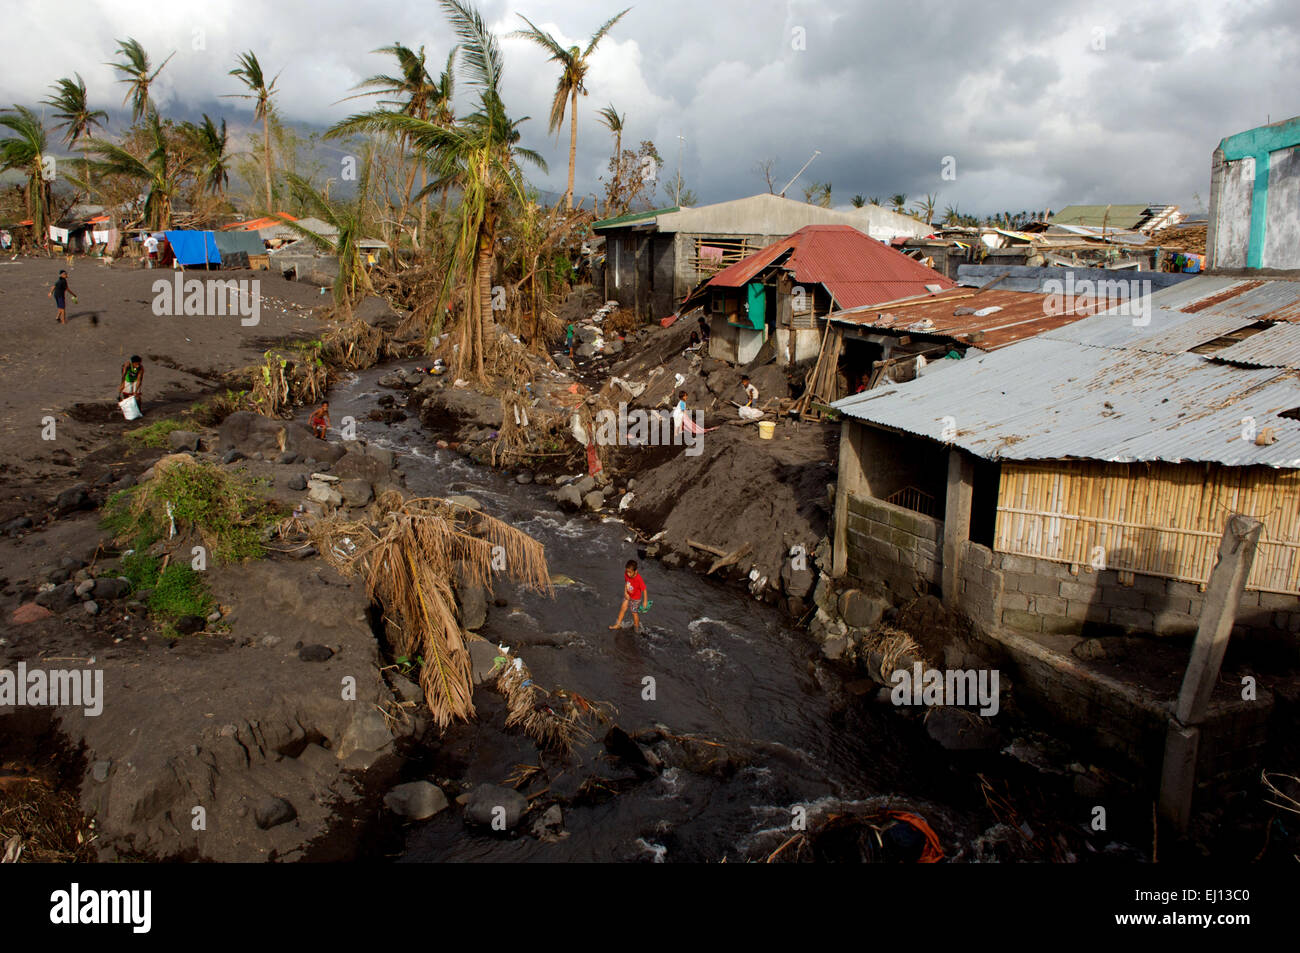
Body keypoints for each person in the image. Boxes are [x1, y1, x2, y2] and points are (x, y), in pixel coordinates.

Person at [609, 559, 649, 632]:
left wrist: (645, 601)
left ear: (635, 571)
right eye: (627, 571)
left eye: (630, 572)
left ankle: (636, 629)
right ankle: (618, 625)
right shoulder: (626, 574)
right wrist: (625, 592)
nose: (628, 574)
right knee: (623, 608)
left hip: (635, 598)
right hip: (628, 595)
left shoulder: (639, 579)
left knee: (634, 612)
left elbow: (644, 589)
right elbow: (626, 583)